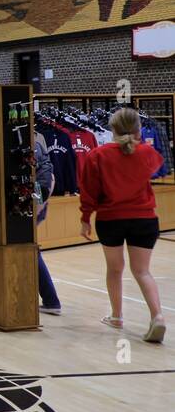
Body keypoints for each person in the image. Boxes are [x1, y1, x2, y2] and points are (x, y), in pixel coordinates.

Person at [80, 107, 165, 343]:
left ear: (112, 129)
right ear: (138, 129)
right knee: (142, 271)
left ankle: (117, 316)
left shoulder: (98, 155)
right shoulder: (148, 153)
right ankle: (157, 316)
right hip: (145, 218)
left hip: (111, 219)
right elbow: (157, 168)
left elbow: (89, 190)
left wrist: (85, 217)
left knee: (115, 269)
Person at [34, 131, 61, 315]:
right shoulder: (37, 139)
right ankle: (50, 300)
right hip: (36, 203)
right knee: (30, 250)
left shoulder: (35, 142)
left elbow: (49, 179)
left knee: (29, 250)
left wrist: (38, 205)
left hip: (33, 204)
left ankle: (51, 300)